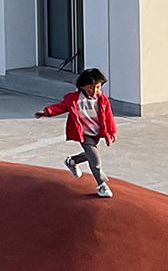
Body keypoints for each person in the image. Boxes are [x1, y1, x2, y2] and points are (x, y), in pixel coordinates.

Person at [35, 68, 118, 198]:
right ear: (82, 86)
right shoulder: (74, 99)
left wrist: (111, 132)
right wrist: (46, 112)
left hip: (95, 132)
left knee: (91, 155)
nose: (95, 91)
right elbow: (61, 107)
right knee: (95, 160)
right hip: (83, 134)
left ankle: (72, 161)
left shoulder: (102, 99)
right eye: (91, 88)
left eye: (98, 87)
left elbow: (108, 116)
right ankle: (102, 185)